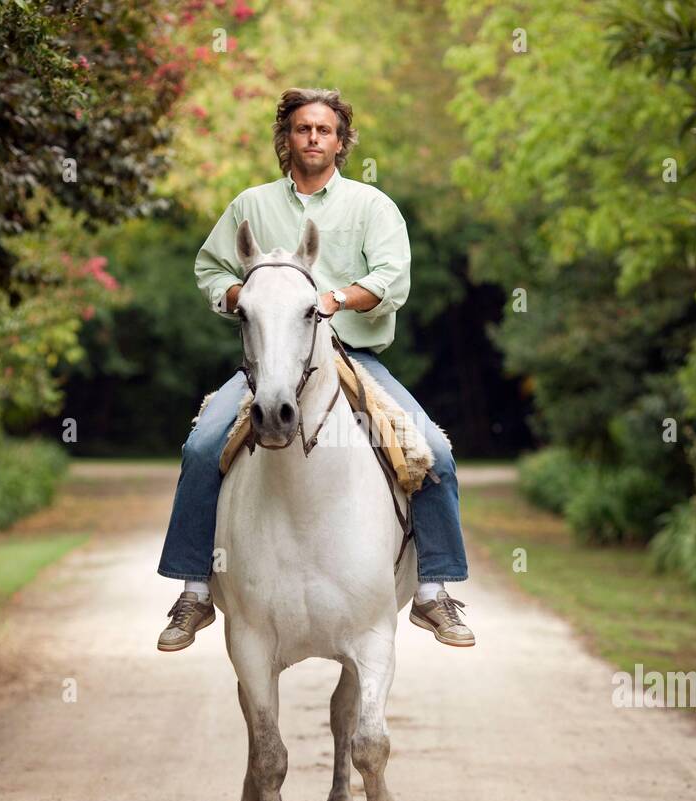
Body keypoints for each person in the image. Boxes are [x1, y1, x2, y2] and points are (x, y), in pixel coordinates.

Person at [156, 87, 473, 652]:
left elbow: (392, 278)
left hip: (355, 356)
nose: (313, 138)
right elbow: (209, 268)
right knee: (203, 446)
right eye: (302, 128)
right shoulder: (250, 205)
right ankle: (194, 589)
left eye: (324, 130)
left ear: (341, 141)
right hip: (272, 362)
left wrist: (337, 299)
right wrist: (241, 295)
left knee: (434, 451)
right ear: (286, 138)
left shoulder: (372, 207)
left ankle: (433, 590)